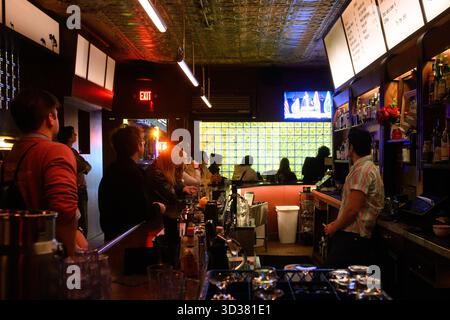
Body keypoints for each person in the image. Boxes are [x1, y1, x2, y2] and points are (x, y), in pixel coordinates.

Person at [2, 89, 87, 256]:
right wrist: (71, 255)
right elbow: (63, 210)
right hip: (49, 255)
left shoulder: (13, 154)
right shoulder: (56, 151)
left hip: (18, 249)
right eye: (56, 113)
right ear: (50, 117)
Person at [324, 128, 384, 268]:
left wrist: (334, 227)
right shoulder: (367, 167)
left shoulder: (362, 170)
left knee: (330, 277)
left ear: (351, 148)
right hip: (357, 236)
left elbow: (352, 210)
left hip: (354, 237)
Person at [98, 125, 166, 241]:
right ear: (138, 145)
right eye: (142, 141)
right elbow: (141, 211)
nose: (144, 143)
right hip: (131, 240)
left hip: (112, 236)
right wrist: (158, 208)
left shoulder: (111, 169)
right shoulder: (134, 173)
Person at [57, 126, 92, 236]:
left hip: (77, 189)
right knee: (81, 222)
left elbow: (87, 166)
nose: (76, 135)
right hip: (77, 190)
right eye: (74, 133)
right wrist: (83, 167)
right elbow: (83, 166)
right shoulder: (68, 151)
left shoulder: (72, 151)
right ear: (69, 137)